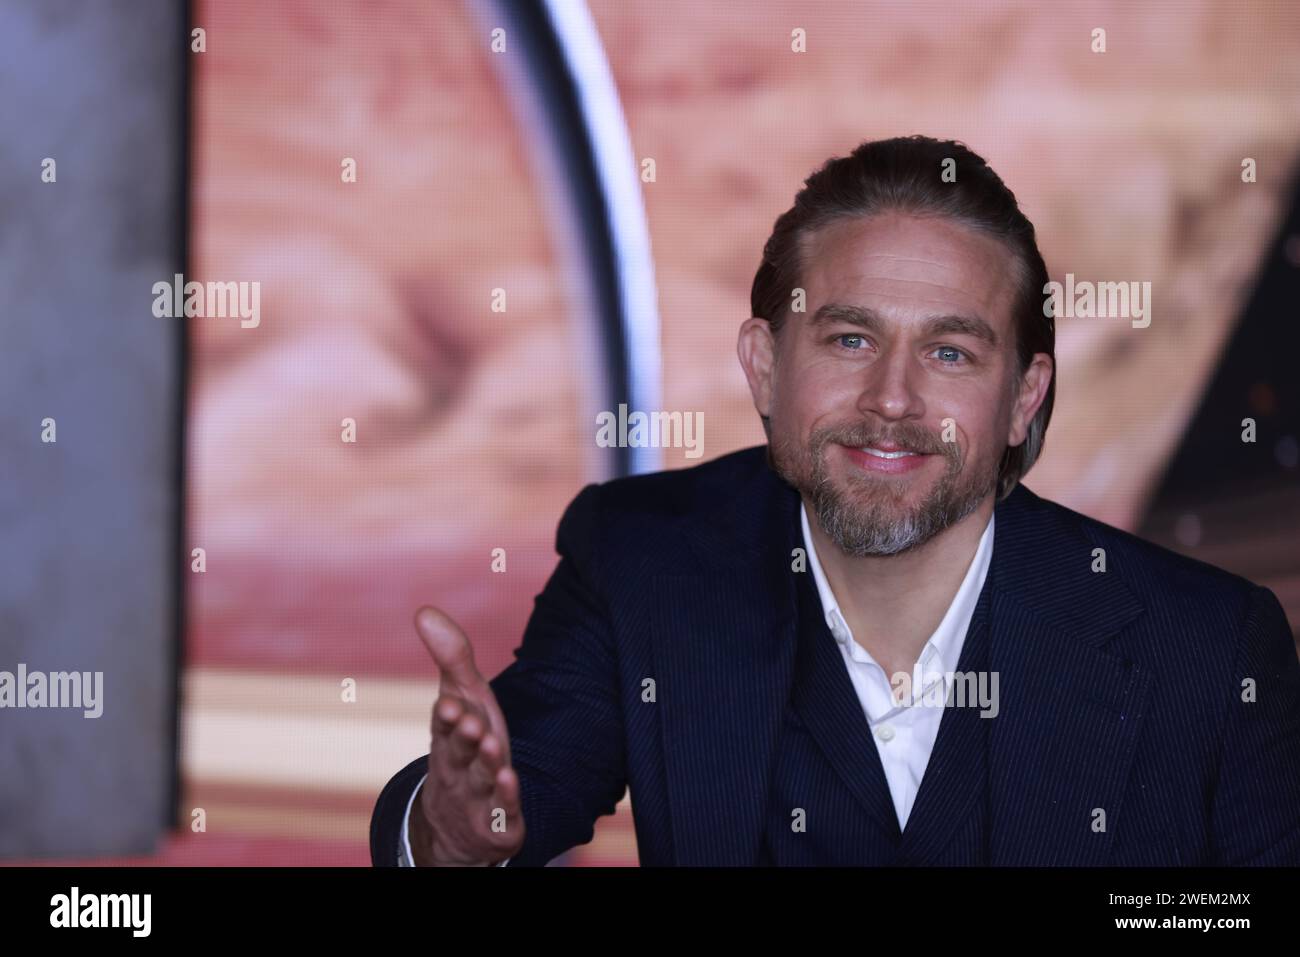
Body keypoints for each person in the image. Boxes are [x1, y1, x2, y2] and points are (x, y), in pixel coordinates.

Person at [370, 135, 1300, 867]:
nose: (892, 400)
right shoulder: (644, 564)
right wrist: (448, 839)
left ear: (1024, 397)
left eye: (950, 352)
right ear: (766, 366)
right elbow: (509, 795)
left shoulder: (1210, 652)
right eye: (851, 339)